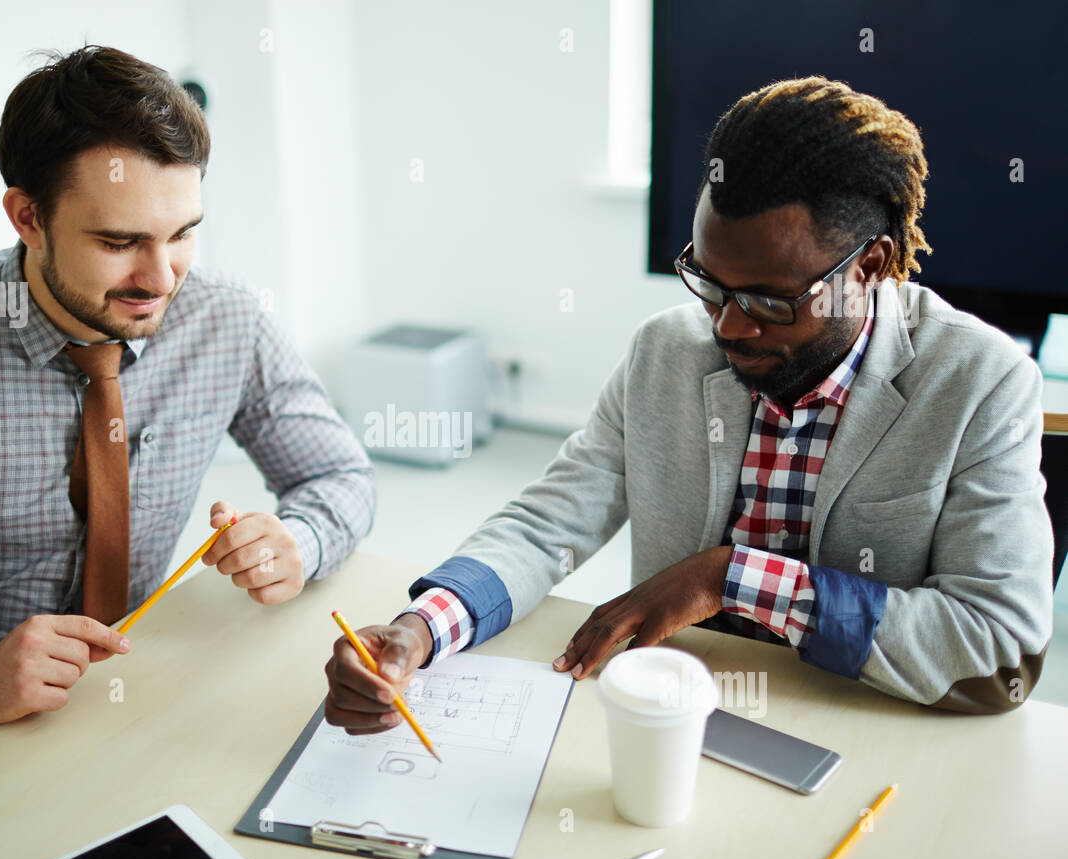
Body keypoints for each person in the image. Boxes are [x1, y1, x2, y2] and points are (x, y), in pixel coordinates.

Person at [323, 76, 1054, 734]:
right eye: (707, 281)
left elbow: (1001, 648)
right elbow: (549, 523)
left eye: (770, 299)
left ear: (870, 266)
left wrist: (729, 575)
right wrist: (422, 627)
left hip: (856, 722)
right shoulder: (665, 352)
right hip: (670, 715)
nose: (729, 326)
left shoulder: (982, 381)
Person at [0, 46, 375, 800]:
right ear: (29, 217)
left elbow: (338, 473)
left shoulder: (227, 318)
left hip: (143, 705)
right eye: (120, 243)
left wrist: (300, 540)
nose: (162, 279)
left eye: (183, 232)